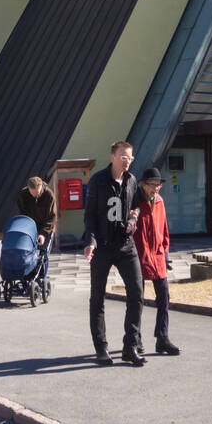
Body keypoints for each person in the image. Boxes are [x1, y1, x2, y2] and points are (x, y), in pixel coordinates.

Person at [82, 141, 145, 366]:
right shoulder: (98, 181)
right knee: (97, 297)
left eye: (130, 158)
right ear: (113, 157)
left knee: (137, 293)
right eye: (123, 157)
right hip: (103, 246)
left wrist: (133, 219)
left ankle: (130, 346)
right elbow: (89, 216)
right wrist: (90, 241)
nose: (127, 161)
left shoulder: (131, 180)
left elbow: (136, 207)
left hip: (126, 245)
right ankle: (101, 347)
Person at [133, 168, 180, 356]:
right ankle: (135, 339)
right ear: (143, 184)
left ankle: (162, 337)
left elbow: (164, 229)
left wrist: (166, 253)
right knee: (136, 300)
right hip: (138, 256)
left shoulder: (160, 202)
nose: (156, 188)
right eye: (152, 184)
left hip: (158, 256)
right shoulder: (135, 201)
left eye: (158, 184)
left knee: (164, 298)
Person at [15, 175, 57, 284]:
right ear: (28, 189)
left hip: (46, 228)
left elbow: (52, 217)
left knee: (43, 253)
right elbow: (22, 213)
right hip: (30, 228)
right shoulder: (23, 195)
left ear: (41, 187)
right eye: (32, 193)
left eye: (37, 193)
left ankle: (41, 279)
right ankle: (27, 278)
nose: (35, 196)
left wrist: (42, 234)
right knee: (27, 252)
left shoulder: (49, 195)